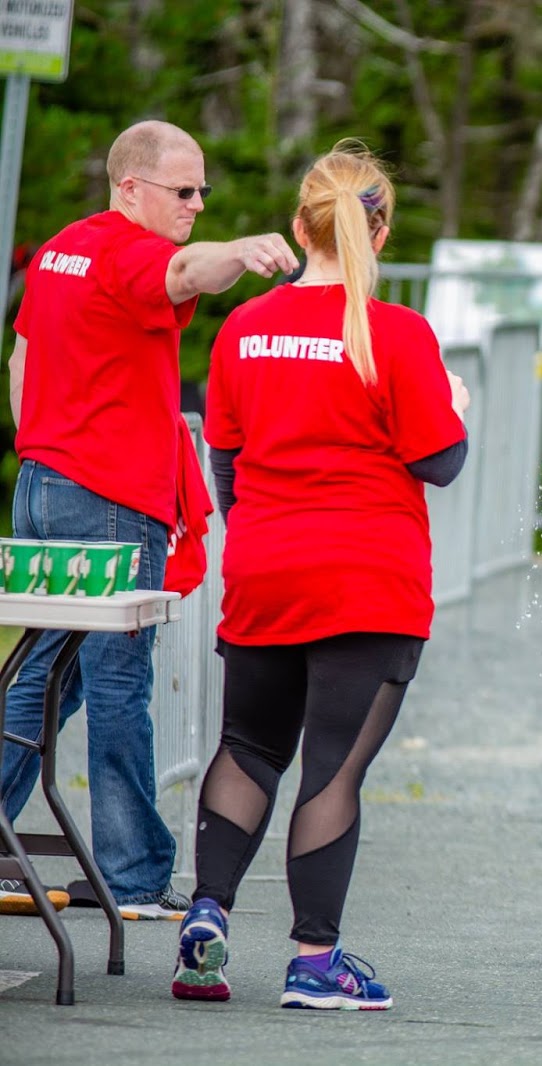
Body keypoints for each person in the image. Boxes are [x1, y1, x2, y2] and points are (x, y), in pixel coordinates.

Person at [168, 141, 470, 1009]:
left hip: (266, 567)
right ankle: (312, 958)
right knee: (331, 772)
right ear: (379, 229)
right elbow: (441, 460)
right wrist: (452, 398)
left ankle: (208, 914)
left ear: (302, 225)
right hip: (368, 579)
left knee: (248, 748)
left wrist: (267, 529)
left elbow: (224, 458)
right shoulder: (396, 333)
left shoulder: (244, 327)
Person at [0, 120, 300, 920]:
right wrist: (240, 252)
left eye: (204, 191)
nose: (198, 204)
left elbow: (21, 359)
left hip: (45, 481)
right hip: (107, 498)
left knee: (41, 674)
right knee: (118, 681)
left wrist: (41, 452)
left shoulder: (64, 249)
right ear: (130, 186)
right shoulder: (135, 253)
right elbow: (182, 271)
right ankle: (133, 877)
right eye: (184, 190)